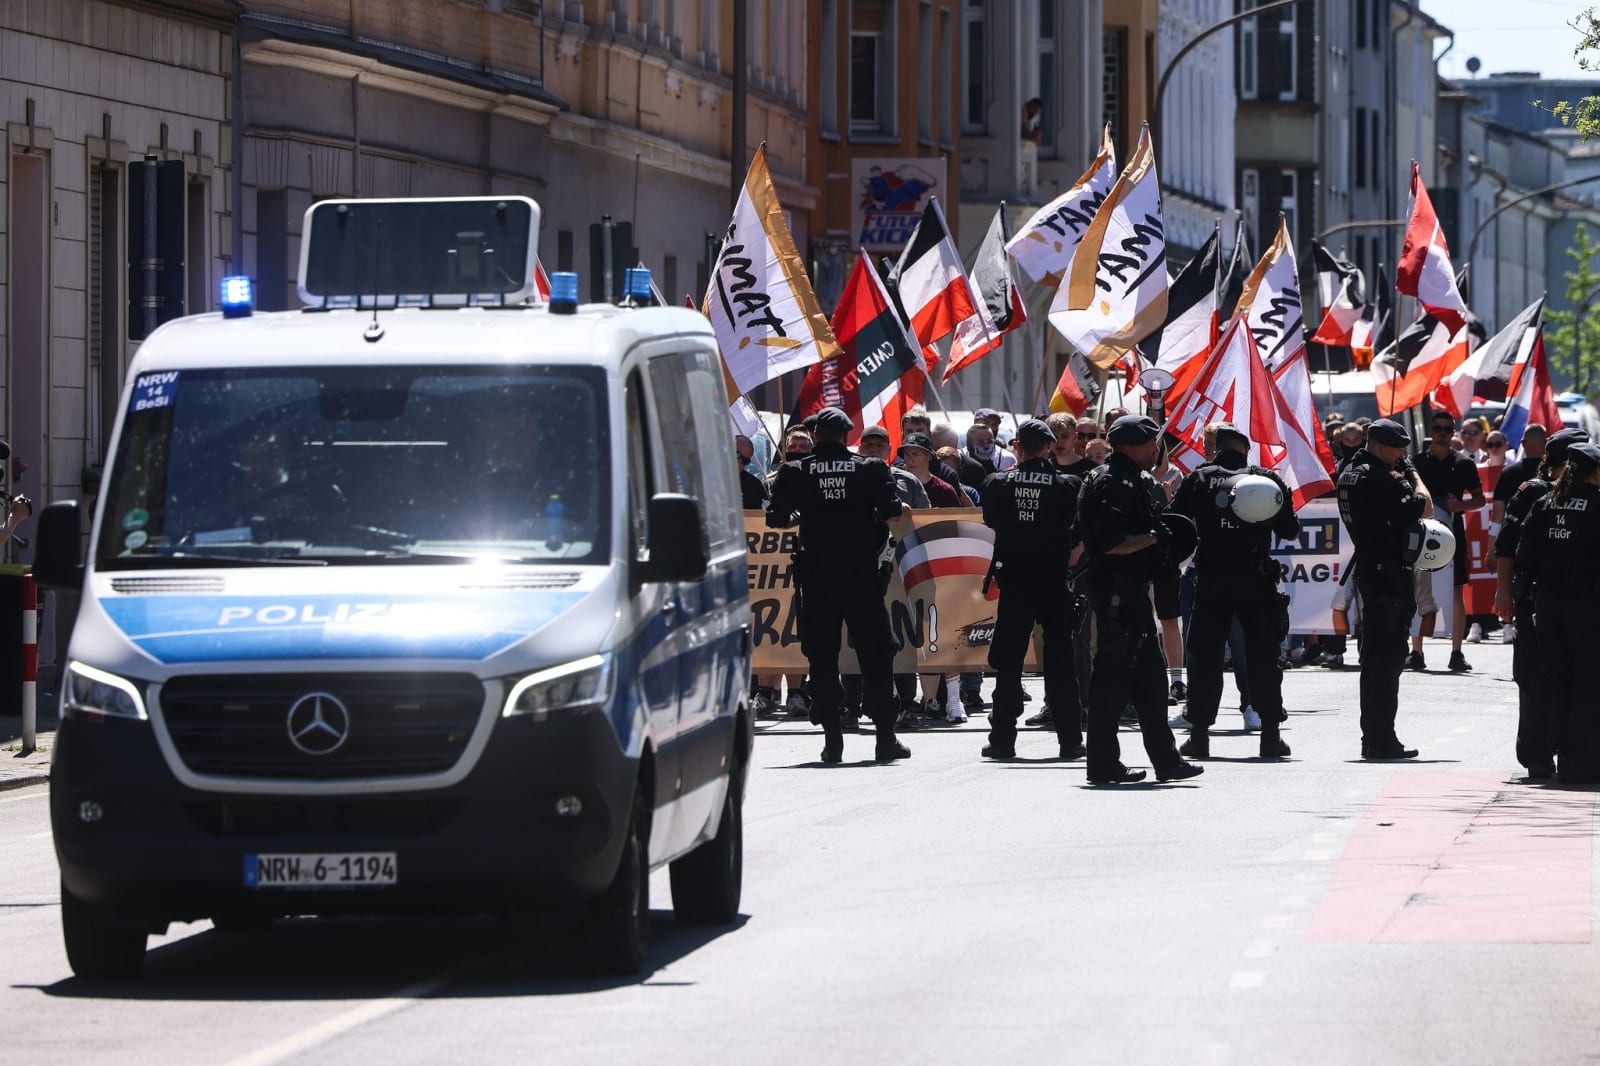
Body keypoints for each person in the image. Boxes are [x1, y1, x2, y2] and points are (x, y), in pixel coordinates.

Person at [767, 407, 910, 763]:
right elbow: (894, 513)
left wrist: (807, 515)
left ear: (816, 436)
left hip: (818, 577)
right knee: (876, 655)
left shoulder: (796, 471)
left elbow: (777, 520)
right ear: (848, 436)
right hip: (861, 576)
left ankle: (833, 740)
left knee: (823, 657)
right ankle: (885, 738)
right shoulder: (869, 468)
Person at [1077, 414, 1204, 785]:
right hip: (1117, 595)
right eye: (1153, 443)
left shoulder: (1132, 479)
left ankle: (1167, 761)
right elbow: (1112, 543)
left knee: (1151, 681)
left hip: (1132, 593)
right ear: (1135, 445)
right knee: (1110, 682)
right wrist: (1157, 537)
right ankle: (1103, 765)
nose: (1157, 450)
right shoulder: (1112, 482)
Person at [1169, 423, 1300, 759]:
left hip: (1211, 578)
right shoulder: (1266, 479)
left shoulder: (1199, 479)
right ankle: (1270, 735)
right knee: (1263, 655)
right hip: (1256, 578)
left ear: (1216, 448)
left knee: (1205, 656)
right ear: (1246, 449)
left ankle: (1199, 736)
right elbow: (1290, 530)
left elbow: (1175, 523)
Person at [979, 419, 1085, 760]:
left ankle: (1002, 740)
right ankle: (1070, 740)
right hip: (1053, 581)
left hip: (1015, 582)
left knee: (1009, 662)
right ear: (1049, 447)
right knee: (1060, 660)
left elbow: (992, 520)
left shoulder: (997, 483)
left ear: (1018, 447)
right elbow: (1075, 524)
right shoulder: (1067, 485)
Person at [1336, 418, 1433, 760]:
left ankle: (1374, 737)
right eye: (1397, 449)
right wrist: (1413, 474)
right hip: (1388, 576)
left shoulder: (1349, 471)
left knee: (1374, 659)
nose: (1402, 456)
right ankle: (1382, 739)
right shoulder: (1381, 477)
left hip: (1370, 570)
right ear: (1379, 446)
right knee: (1387, 661)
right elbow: (1426, 505)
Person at [1494, 427, 1587, 779]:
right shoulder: (1534, 491)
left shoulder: (1588, 495)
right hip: (1534, 596)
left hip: (1575, 601)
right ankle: (1536, 755)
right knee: (1534, 677)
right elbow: (1506, 547)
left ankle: (1571, 753)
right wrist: (1503, 591)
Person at [1515, 441, 1600, 785]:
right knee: (1588, 683)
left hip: (1548, 605)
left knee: (1557, 681)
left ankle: (1562, 759)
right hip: (1587, 606)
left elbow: (1524, 554)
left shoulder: (1544, 503)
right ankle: (1583, 761)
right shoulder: (1596, 505)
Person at [1410, 410, 1486, 673]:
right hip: (1422, 534)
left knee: (1455, 591)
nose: (1442, 433)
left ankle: (1456, 651)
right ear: (1430, 431)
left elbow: (1480, 499)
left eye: (1447, 429)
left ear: (1453, 432)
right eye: (1438, 428)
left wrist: (1460, 506)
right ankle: (1416, 651)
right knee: (1419, 588)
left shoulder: (1464, 463)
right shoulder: (1416, 462)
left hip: (1453, 534)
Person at [736, 434, 768, 511]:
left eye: (745, 460)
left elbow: (761, 515)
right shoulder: (707, 476)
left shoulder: (754, 485)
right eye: (737, 454)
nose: (739, 462)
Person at [1020, 97, 1043, 199]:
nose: (1034, 114)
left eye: (1036, 113)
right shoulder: (1023, 111)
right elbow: (1024, 132)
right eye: (1034, 110)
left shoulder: (1025, 114)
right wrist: (1034, 137)